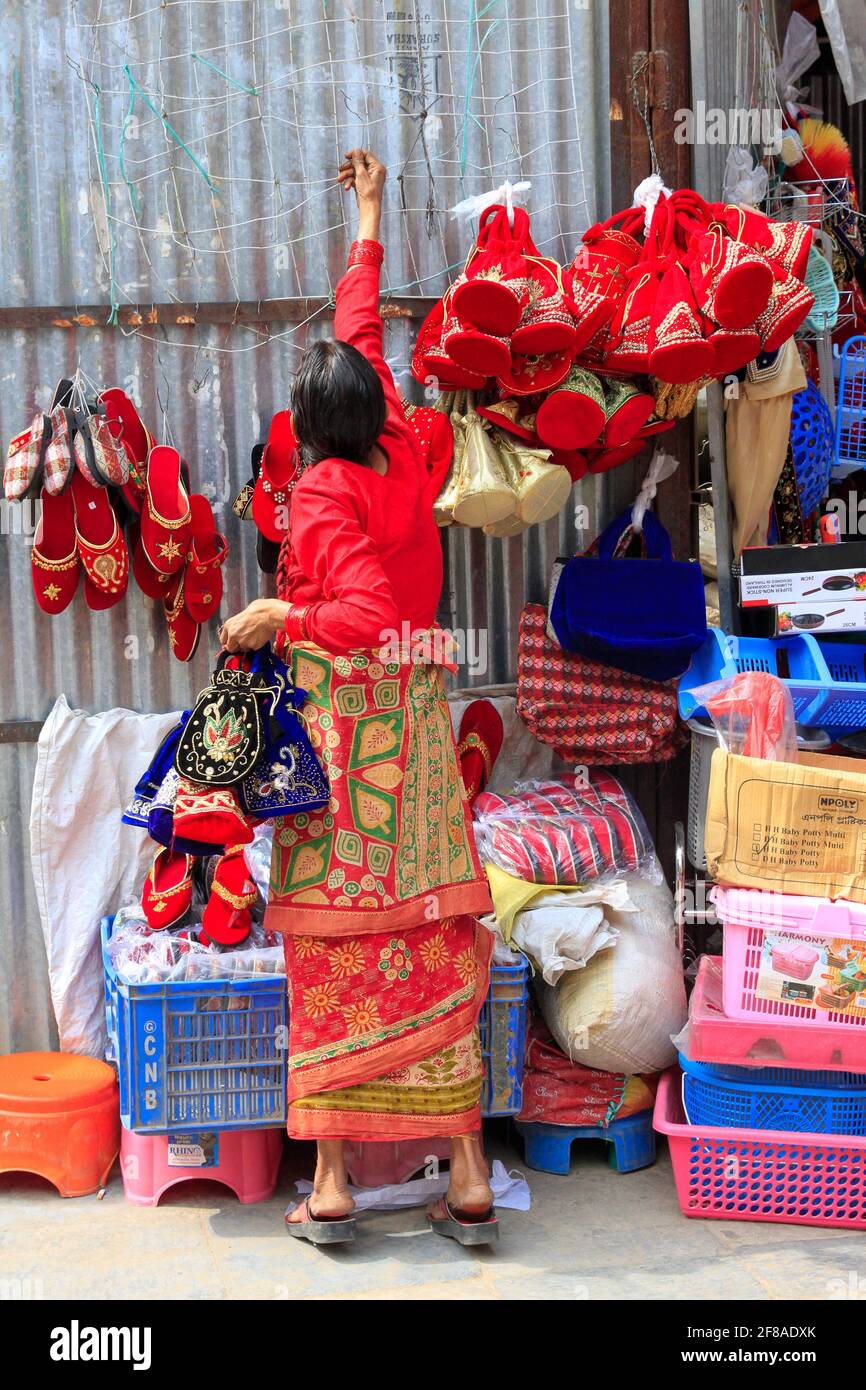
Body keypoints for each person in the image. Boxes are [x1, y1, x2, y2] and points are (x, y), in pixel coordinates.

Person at [219, 149, 498, 1247]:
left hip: (349, 737)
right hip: (418, 726)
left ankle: (332, 1182)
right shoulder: (393, 436)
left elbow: (364, 617)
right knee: (432, 929)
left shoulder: (326, 487)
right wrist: (368, 218)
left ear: (310, 432)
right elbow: (359, 329)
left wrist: (280, 617)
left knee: (333, 944)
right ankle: (465, 1169)